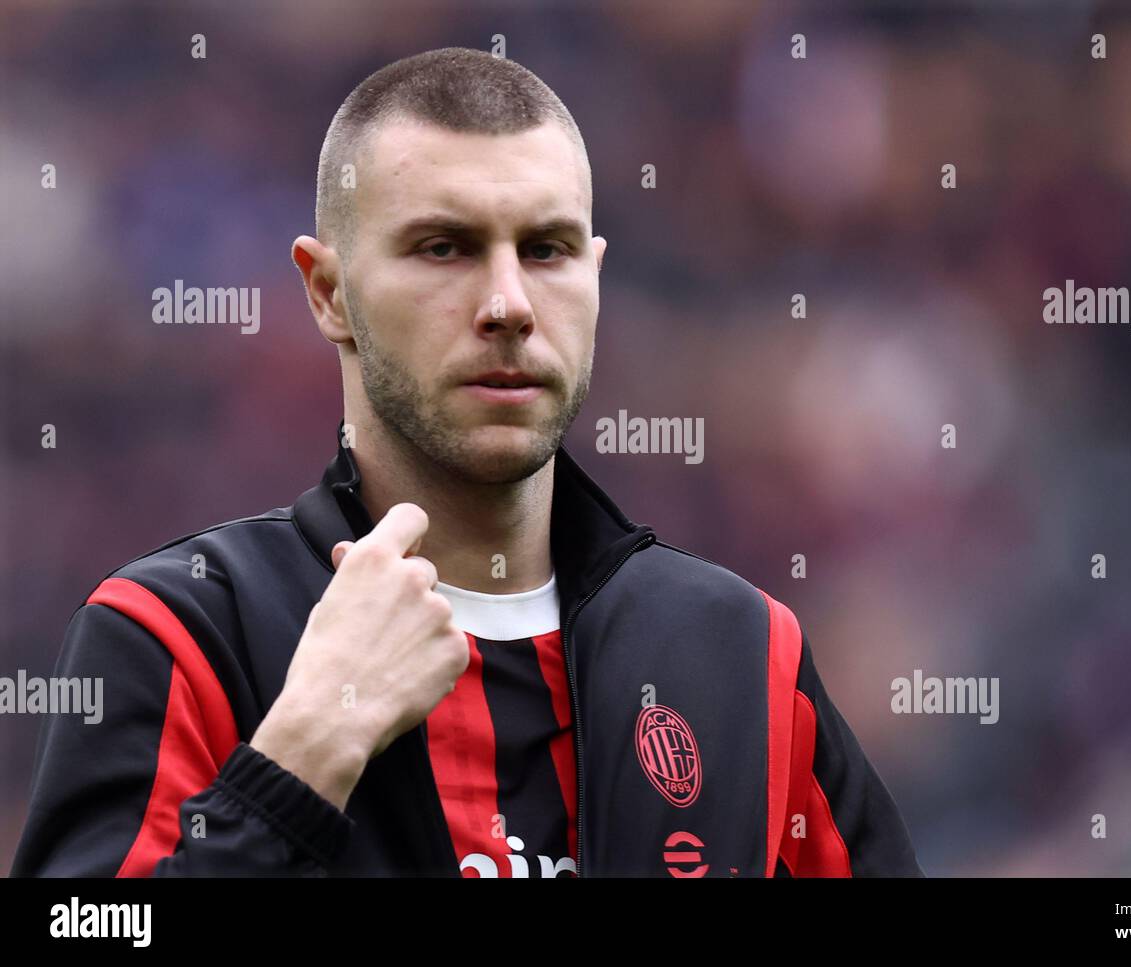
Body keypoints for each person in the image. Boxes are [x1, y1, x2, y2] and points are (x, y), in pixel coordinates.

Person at [12, 47, 921, 878]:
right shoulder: (181, 635)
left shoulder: (741, 653)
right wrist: (295, 762)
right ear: (328, 292)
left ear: (595, 275)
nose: (507, 303)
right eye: (443, 248)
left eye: (547, 250)